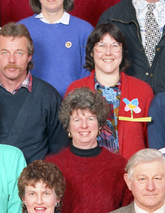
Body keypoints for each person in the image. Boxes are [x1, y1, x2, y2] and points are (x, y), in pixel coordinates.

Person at [0, 22, 68, 163]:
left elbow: (60, 152)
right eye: (5, 52)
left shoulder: (49, 96)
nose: (12, 60)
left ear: (29, 56)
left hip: (34, 181)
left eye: (19, 53)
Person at [46, 88, 132, 213]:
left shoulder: (119, 166)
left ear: (100, 125)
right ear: (68, 127)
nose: (84, 126)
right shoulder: (52, 166)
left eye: (90, 119)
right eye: (77, 120)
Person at [63, 23, 154, 159]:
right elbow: (67, 139)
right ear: (92, 52)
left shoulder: (142, 91)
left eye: (115, 45)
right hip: (87, 170)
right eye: (101, 45)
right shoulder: (75, 89)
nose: (108, 52)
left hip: (132, 174)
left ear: (122, 52)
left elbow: (150, 141)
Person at [18, 0, 92, 96]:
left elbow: (90, 76)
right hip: (32, 107)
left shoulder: (84, 30)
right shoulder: (21, 30)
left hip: (73, 108)